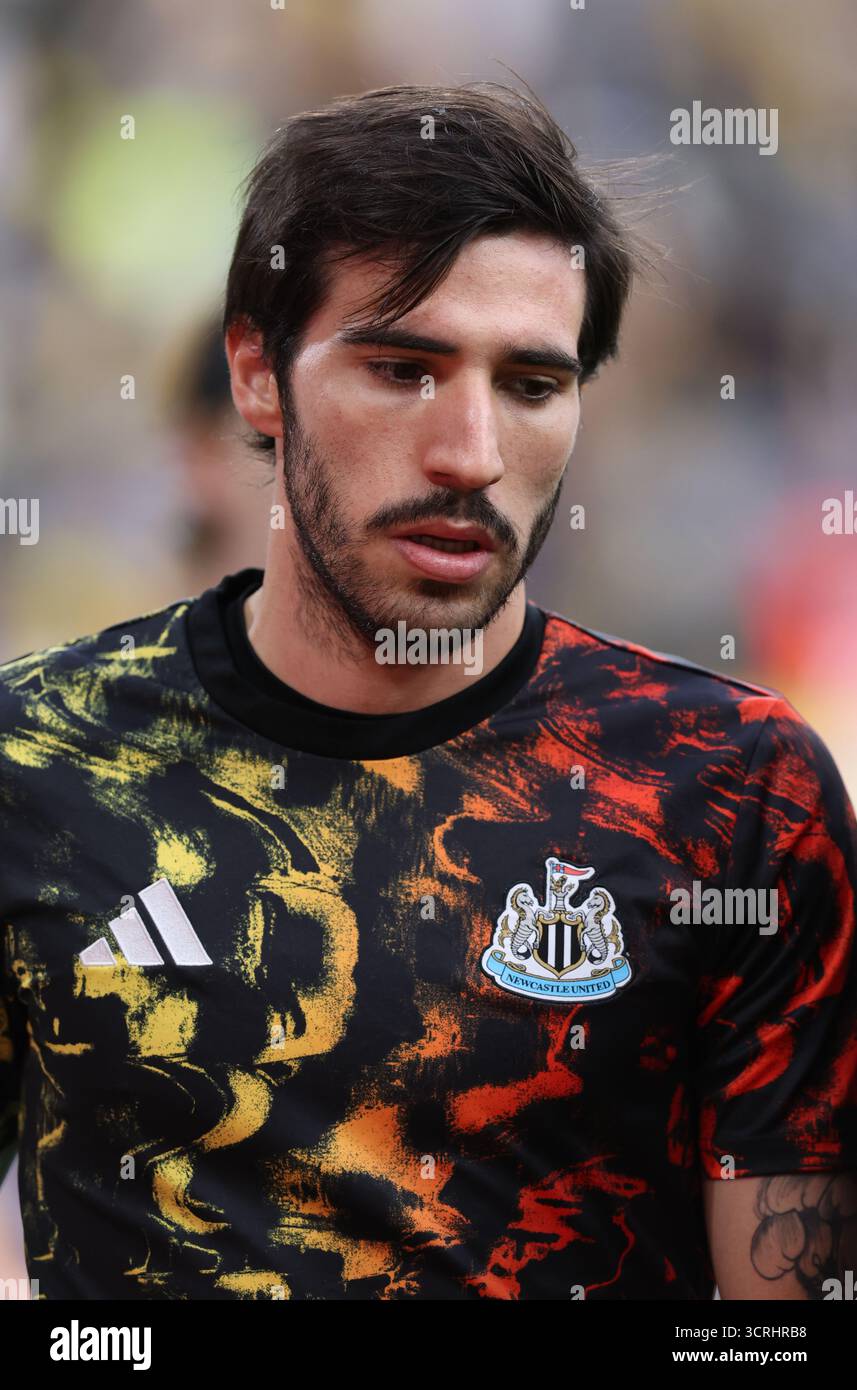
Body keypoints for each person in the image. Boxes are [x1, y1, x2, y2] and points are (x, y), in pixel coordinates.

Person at [0, 81, 854, 1302]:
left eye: (529, 383)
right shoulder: (35, 761)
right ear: (257, 375)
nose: (469, 453)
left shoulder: (734, 796)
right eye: (402, 368)